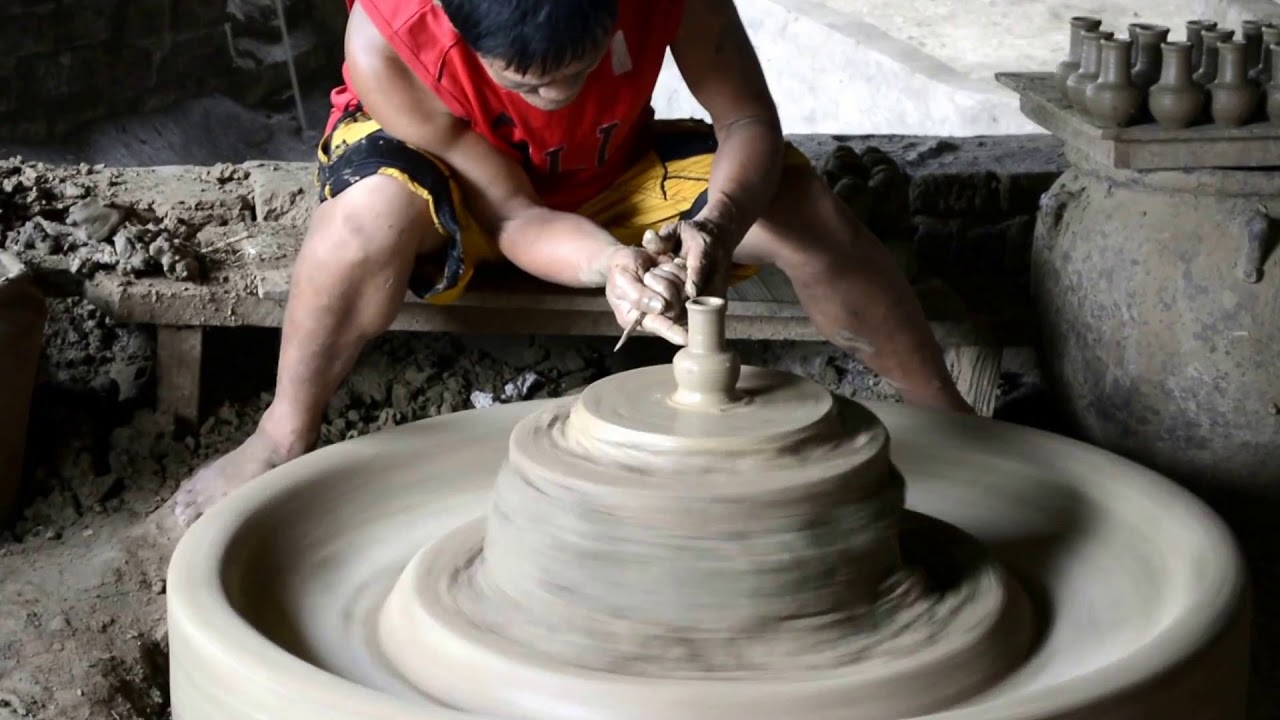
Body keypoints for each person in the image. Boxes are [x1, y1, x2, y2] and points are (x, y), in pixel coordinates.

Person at [172, 0, 973, 527]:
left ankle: (953, 425)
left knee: (806, 211)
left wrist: (717, 226)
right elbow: (514, 212)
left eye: (579, 70)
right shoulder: (390, 34)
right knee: (363, 225)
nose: (555, 91)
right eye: (529, 80)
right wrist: (608, 267)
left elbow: (747, 118)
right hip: (466, 177)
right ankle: (283, 431)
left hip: (607, 165)